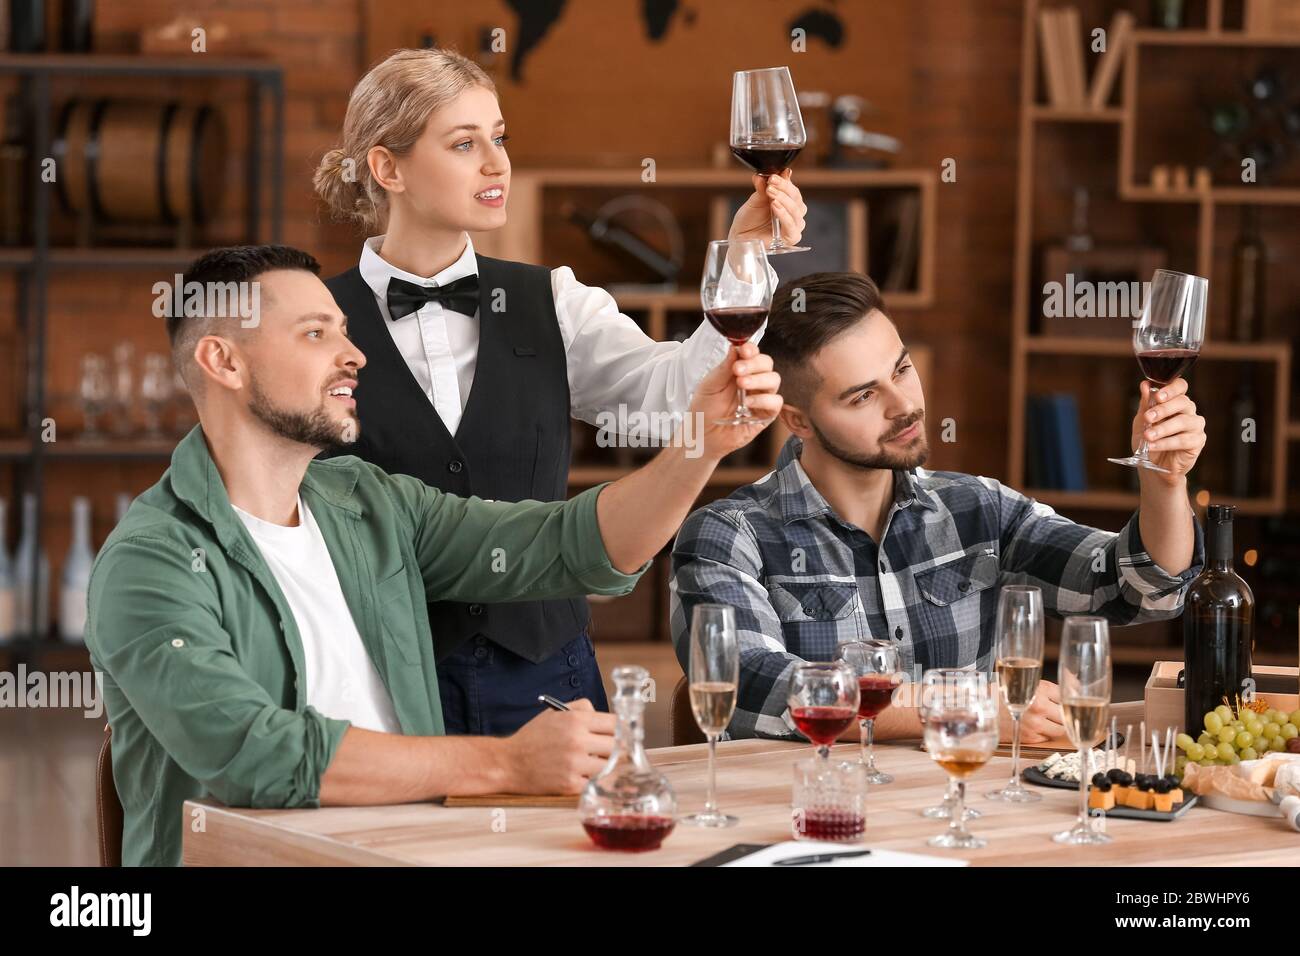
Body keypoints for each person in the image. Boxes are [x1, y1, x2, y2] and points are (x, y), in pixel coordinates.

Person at [87, 244, 781, 866]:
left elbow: (563, 545)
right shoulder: (152, 561)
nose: (353, 354)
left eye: (345, 330)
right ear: (223, 360)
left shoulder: (364, 501)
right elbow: (259, 756)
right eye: (314, 333)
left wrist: (702, 444)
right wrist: (507, 762)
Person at [312, 47, 804, 733]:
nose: (496, 163)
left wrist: (745, 260)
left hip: (547, 680)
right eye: (464, 143)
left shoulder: (556, 300)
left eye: (500, 137)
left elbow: (665, 405)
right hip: (381, 681)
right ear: (387, 168)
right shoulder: (310, 320)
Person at [670, 272, 1206, 743]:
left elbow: (1141, 591)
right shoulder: (727, 537)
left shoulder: (980, 509)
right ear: (798, 420)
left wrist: (1164, 479)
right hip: (815, 822)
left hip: (968, 817)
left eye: (901, 370)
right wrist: (958, 707)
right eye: (862, 396)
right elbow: (749, 685)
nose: (904, 405)